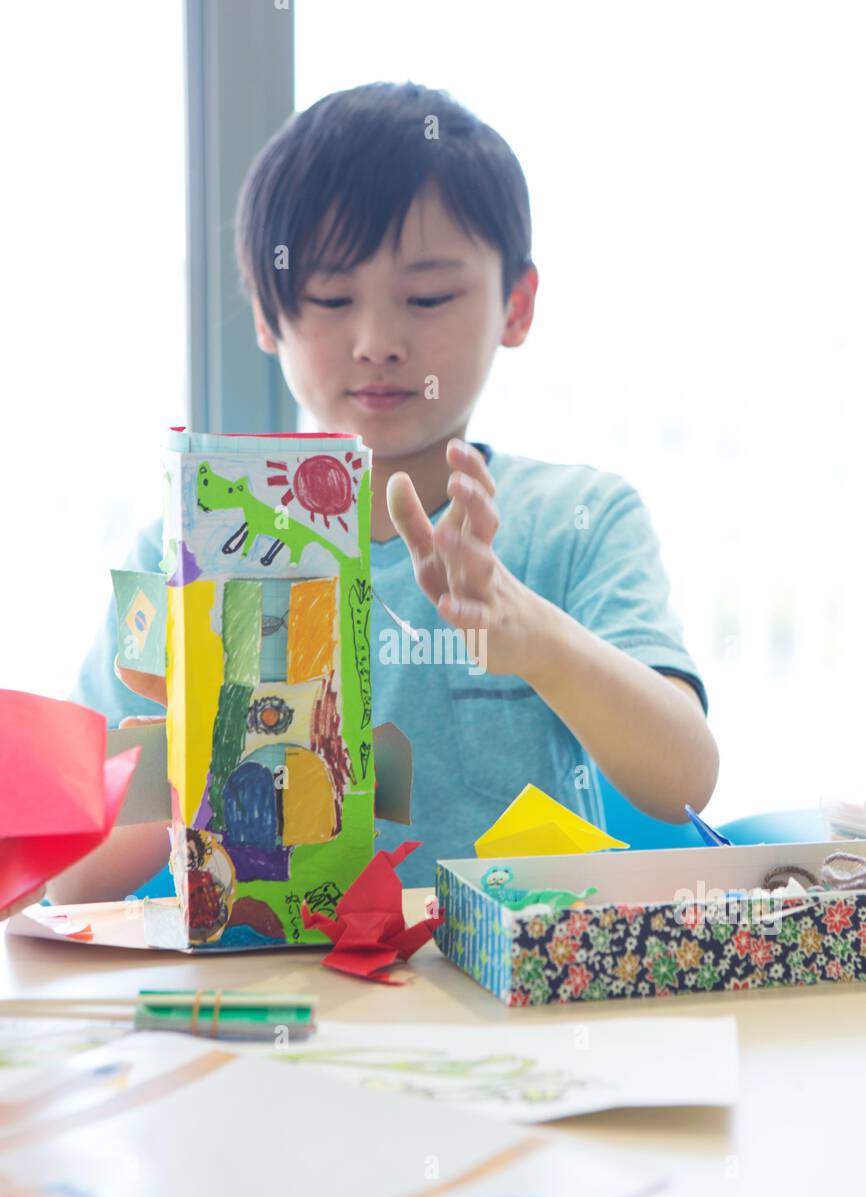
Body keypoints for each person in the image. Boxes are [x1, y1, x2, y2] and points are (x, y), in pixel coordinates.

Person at [66, 80, 717, 894]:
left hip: (503, 1004)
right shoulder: (189, 542)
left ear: (516, 304)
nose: (378, 342)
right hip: (280, 992)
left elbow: (684, 780)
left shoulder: (576, 521)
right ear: (268, 316)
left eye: (429, 296)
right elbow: (68, 877)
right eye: (333, 298)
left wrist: (533, 638)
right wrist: (191, 745)